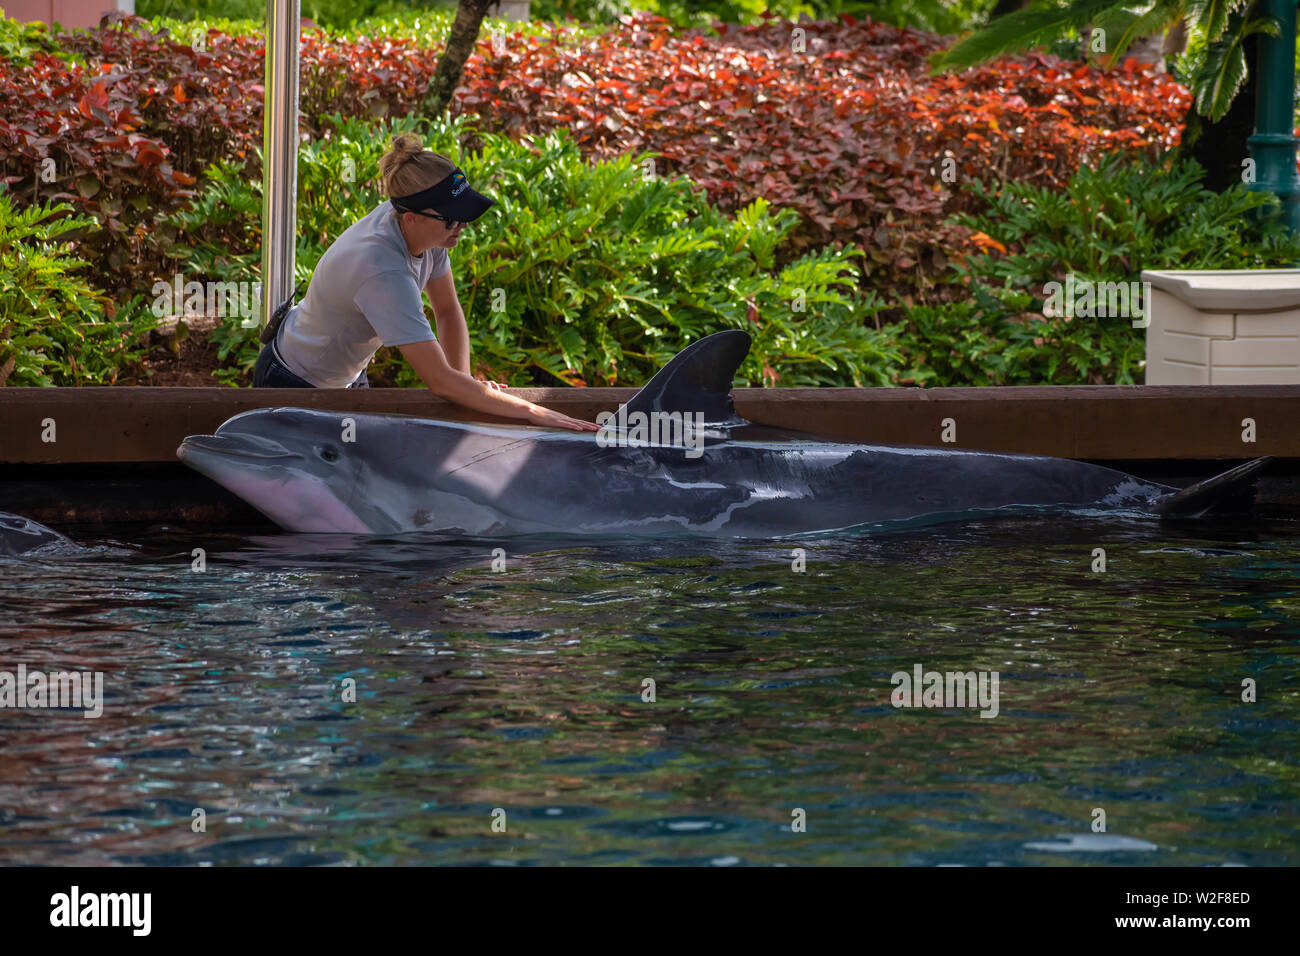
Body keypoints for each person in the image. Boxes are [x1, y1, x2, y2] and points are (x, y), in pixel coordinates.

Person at [252, 133, 597, 433]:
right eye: (450, 218)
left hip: (344, 375)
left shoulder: (425, 234)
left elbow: (447, 311)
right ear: (411, 217)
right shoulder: (381, 270)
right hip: (294, 380)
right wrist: (531, 411)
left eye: (465, 214)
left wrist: (464, 385)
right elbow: (438, 380)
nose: (461, 225)